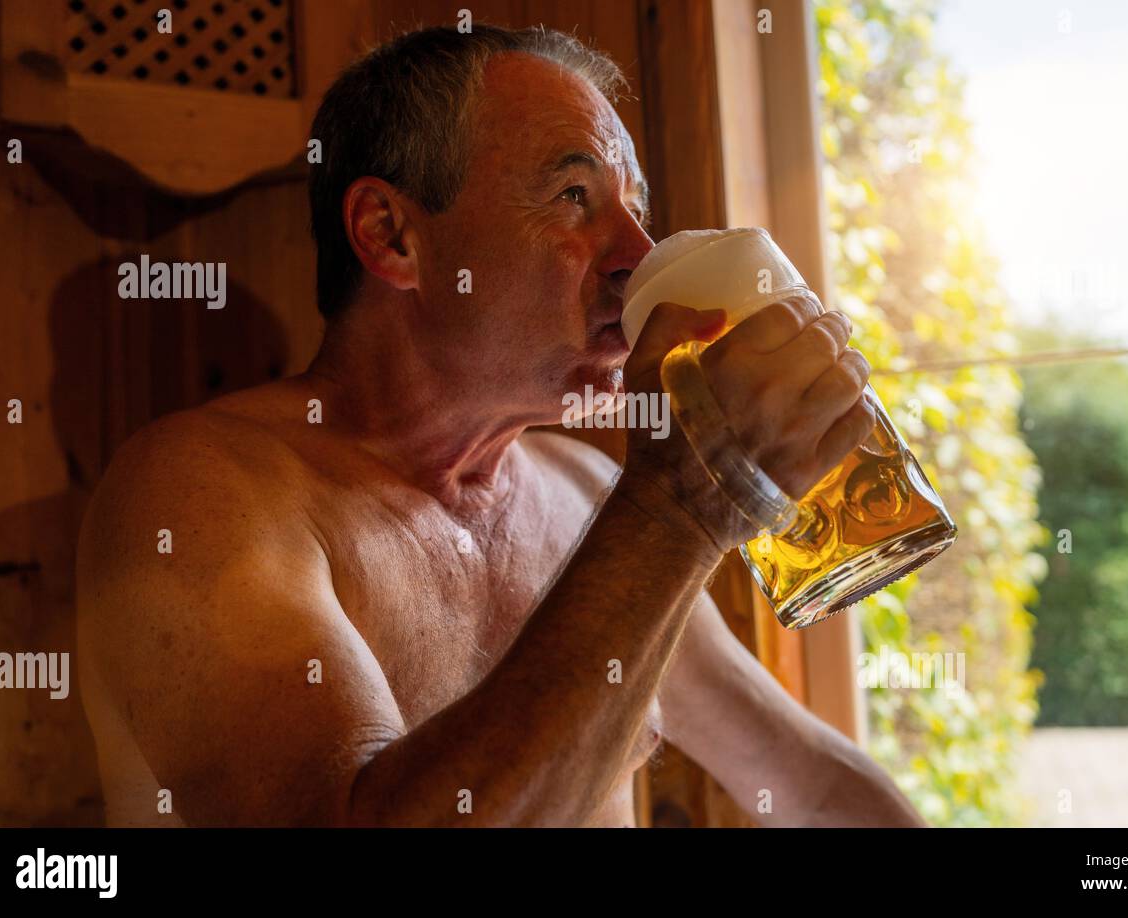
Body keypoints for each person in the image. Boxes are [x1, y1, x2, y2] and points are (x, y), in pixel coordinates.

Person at [76, 24, 924, 828]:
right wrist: (681, 507)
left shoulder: (584, 492)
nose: (639, 253)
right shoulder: (198, 494)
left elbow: (805, 781)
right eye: (574, 196)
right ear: (390, 235)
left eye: (636, 208)